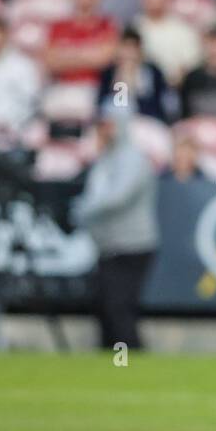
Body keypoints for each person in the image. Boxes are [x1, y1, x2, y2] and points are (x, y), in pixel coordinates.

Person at [71, 101, 159, 350]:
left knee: (119, 306)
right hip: (109, 244)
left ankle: (130, 356)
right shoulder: (107, 157)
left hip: (132, 244)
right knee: (105, 305)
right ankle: (111, 356)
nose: (103, 130)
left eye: (107, 124)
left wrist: (82, 210)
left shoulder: (132, 158)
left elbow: (117, 197)